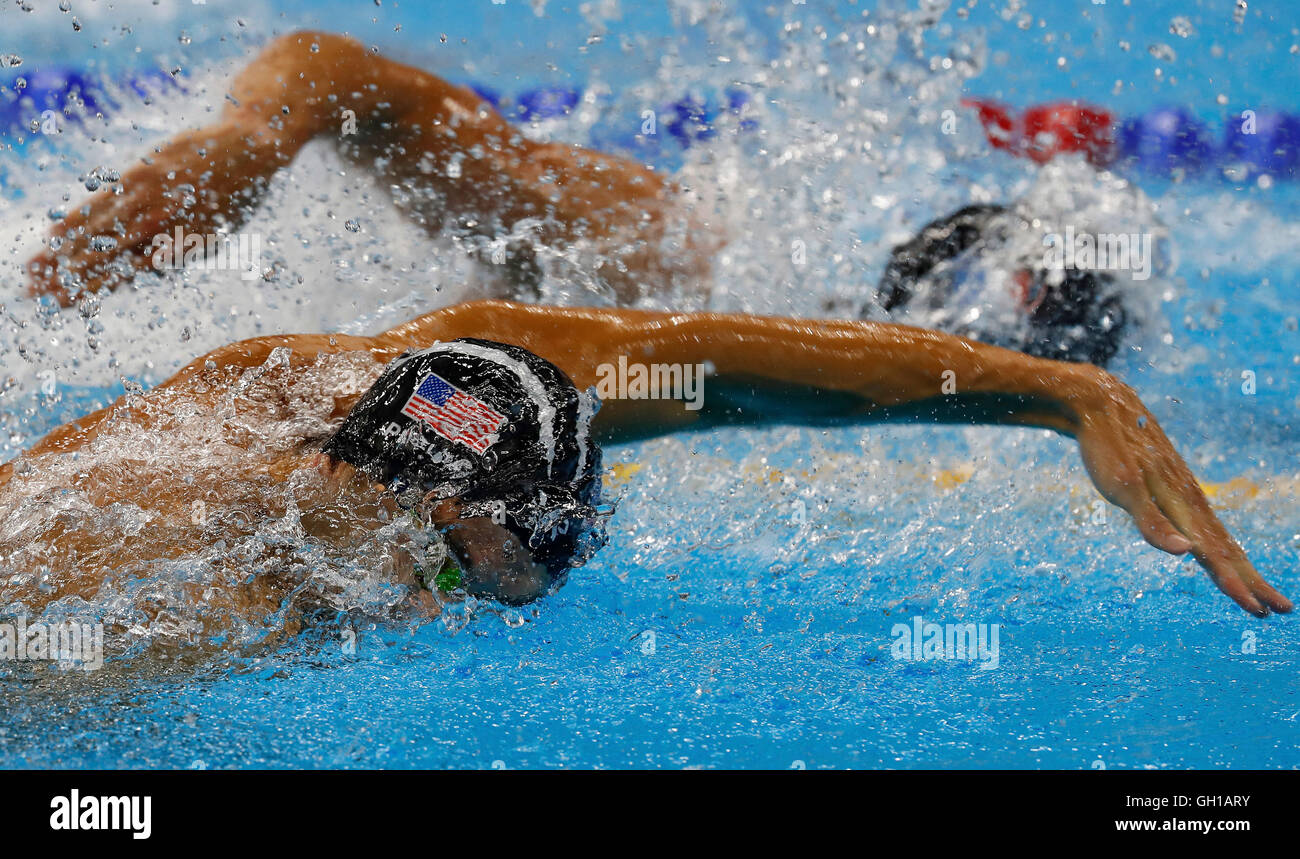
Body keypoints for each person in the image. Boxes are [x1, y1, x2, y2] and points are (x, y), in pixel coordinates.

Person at [0, 299, 1289, 624]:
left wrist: (1059, 391)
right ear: (386, 499)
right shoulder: (177, 574)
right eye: (451, 585)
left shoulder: (422, 389)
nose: (442, 617)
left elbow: (699, 360)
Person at [23, 31, 1131, 368]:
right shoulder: (482, 284)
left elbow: (336, 72)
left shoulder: (634, 251)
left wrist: (256, 138)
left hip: (866, 334)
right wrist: (250, 144)